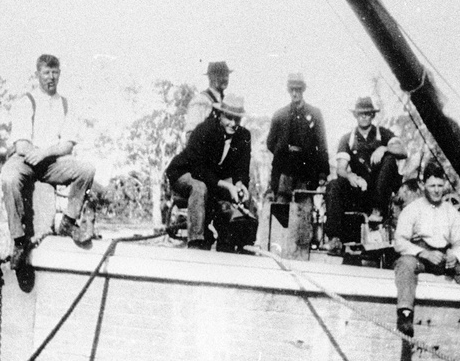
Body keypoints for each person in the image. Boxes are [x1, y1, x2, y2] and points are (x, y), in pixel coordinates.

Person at [0, 54, 97, 273]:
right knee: (9, 178)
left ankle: (69, 223)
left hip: (50, 161)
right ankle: (19, 240)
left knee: (87, 169)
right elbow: (22, 145)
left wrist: (45, 153)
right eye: (46, 72)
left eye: (55, 72)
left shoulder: (65, 104)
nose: (51, 77)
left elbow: (67, 145)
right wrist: (36, 153)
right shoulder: (27, 101)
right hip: (26, 159)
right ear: (38, 74)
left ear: (59, 74)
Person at [393, 161, 460, 351]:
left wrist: (455, 256)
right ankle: (405, 317)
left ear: (444, 185)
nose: (436, 190)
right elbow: (400, 242)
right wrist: (424, 253)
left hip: (444, 257)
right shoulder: (413, 209)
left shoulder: (451, 212)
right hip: (420, 255)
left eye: (440, 186)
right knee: (404, 264)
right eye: (432, 185)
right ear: (424, 185)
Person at [166, 94, 256, 253]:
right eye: (229, 117)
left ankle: (231, 242)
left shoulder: (244, 136)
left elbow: (242, 169)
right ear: (220, 115)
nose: (233, 123)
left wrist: (240, 185)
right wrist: (227, 185)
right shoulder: (205, 130)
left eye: (237, 119)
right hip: (185, 172)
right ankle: (196, 242)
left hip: (212, 179)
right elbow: (198, 170)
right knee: (199, 187)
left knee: (239, 198)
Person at [323, 97, 405, 251]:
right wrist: (350, 176)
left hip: (380, 189)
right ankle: (334, 238)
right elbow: (341, 168)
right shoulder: (348, 138)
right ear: (355, 116)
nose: (364, 117)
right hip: (360, 189)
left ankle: (378, 211)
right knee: (334, 184)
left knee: (389, 160)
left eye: (367, 114)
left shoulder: (383, 134)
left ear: (372, 115)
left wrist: (385, 149)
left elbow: (402, 151)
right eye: (360, 114)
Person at [266, 73, 330, 225]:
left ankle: (301, 245)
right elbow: (270, 143)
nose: (295, 93)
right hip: (284, 169)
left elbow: (322, 144)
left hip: (306, 170)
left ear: (303, 90)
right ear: (288, 90)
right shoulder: (280, 115)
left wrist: (322, 173)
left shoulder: (314, 114)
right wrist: (283, 153)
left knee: (304, 208)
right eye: (292, 90)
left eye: (298, 89)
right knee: (281, 207)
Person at [183, 61, 231, 140]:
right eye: (221, 75)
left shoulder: (227, 102)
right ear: (211, 77)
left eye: (227, 75)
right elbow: (190, 135)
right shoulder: (200, 101)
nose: (225, 79)